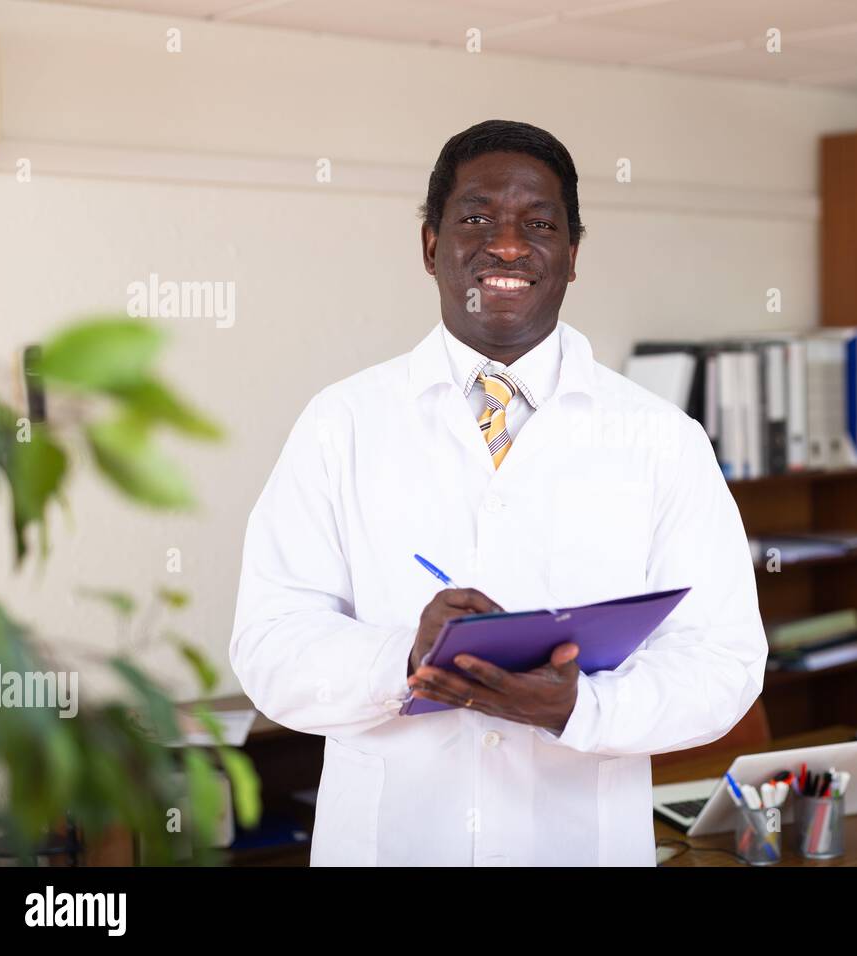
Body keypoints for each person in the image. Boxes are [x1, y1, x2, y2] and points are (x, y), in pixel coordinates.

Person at [230, 119, 767, 866]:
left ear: (572, 256)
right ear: (430, 245)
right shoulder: (341, 423)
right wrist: (403, 657)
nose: (508, 246)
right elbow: (268, 645)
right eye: (477, 218)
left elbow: (724, 662)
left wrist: (584, 708)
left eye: (538, 225)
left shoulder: (661, 439)